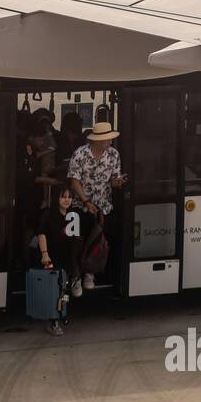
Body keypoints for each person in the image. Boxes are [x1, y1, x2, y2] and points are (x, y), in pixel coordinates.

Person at [67, 121, 127, 290]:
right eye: (108, 139)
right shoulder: (80, 154)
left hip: (103, 205)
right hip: (80, 205)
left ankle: (89, 274)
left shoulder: (114, 154)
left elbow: (114, 181)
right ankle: (76, 277)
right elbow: (74, 181)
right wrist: (86, 201)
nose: (110, 142)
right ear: (98, 140)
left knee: (96, 242)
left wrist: (118, 182)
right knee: (77, 242)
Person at [38, 185, 83, 321]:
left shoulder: (74, 214)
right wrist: (45, 253)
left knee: (64, 291)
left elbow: (77, 238)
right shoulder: (48, 214)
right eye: (63, 196)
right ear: (56, 198)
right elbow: (42, 234)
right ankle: (54, 320)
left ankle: (61, 313)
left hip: (68, 258)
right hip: (53, 256)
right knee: (54, 290)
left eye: (69, 197)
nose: (67, 200)